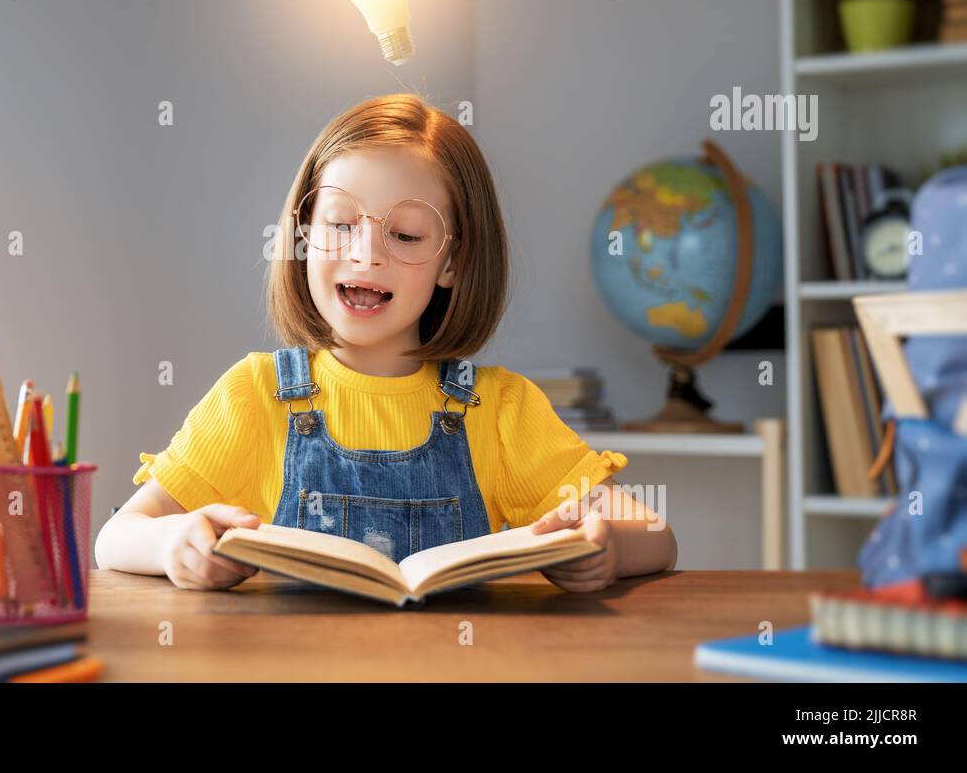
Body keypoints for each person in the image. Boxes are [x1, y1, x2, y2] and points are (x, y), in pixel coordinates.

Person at [96, 93, 676, 592]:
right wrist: (175, 543)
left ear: (452, 261)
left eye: (405, 234)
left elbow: (656, 536)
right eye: (341, 223)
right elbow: (117, 537)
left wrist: (605, 548)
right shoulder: (255, 396)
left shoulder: (501, 411)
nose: (366, 253)